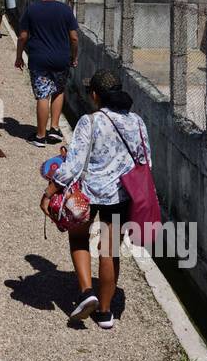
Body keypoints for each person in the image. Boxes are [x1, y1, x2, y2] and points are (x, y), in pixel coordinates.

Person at [41, 69, 151, 329]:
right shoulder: (137, 122)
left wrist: (49, 192)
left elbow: (74, 167)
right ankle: (104, 312)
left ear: (95, 95)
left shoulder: (89, 122)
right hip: (121, 196)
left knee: (78, 237)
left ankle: (87, 292)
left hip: (88, 194)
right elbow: (145, 161)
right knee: (110, 250)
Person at [15, 0, 80, 148]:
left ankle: (40, 135)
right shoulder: (65, 10)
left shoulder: (32, 9)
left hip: (39, 59)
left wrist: (19, 56)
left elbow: (22, 37)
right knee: (58, 90)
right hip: (61, 59)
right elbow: (74, 38)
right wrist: (74, 57)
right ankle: (55, 128)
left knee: (43, 94)